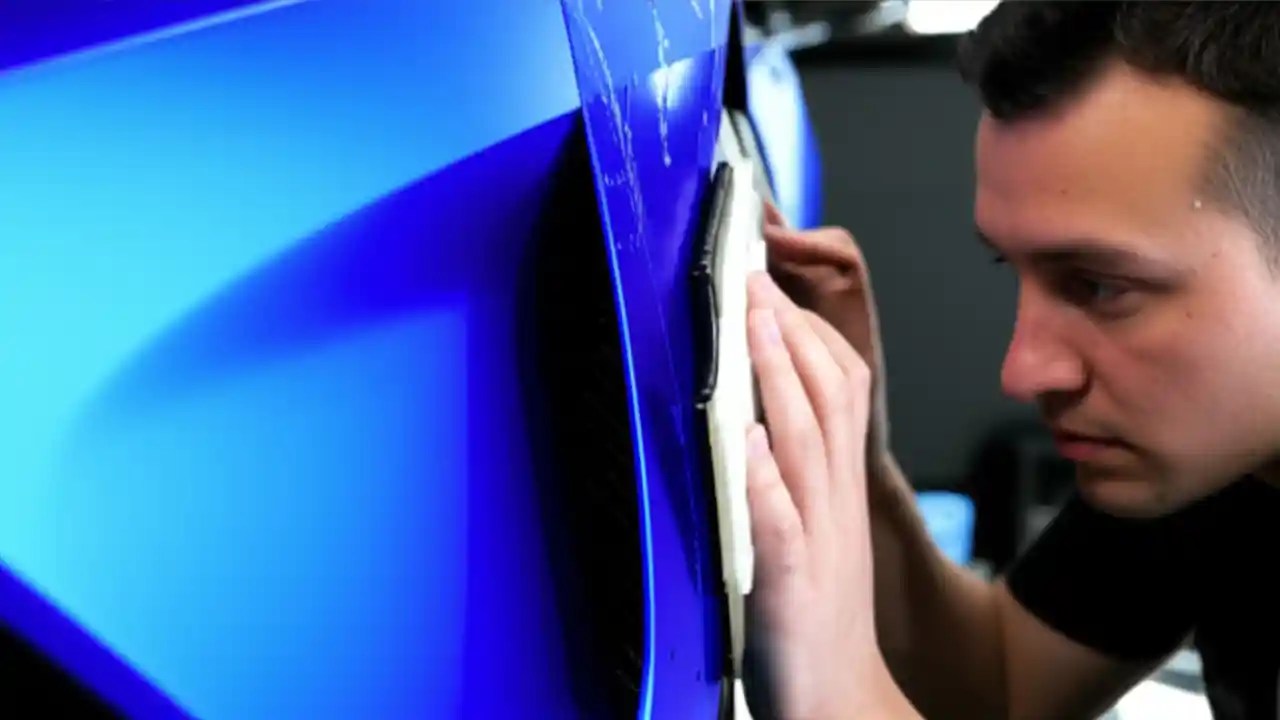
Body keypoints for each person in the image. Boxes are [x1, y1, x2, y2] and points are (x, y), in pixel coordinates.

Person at [742, 2, 1280, 719]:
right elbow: (1000, 684)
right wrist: (848, 463)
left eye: (1099, 285)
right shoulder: (1215, 457)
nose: (1023, 373)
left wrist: (832, 696)